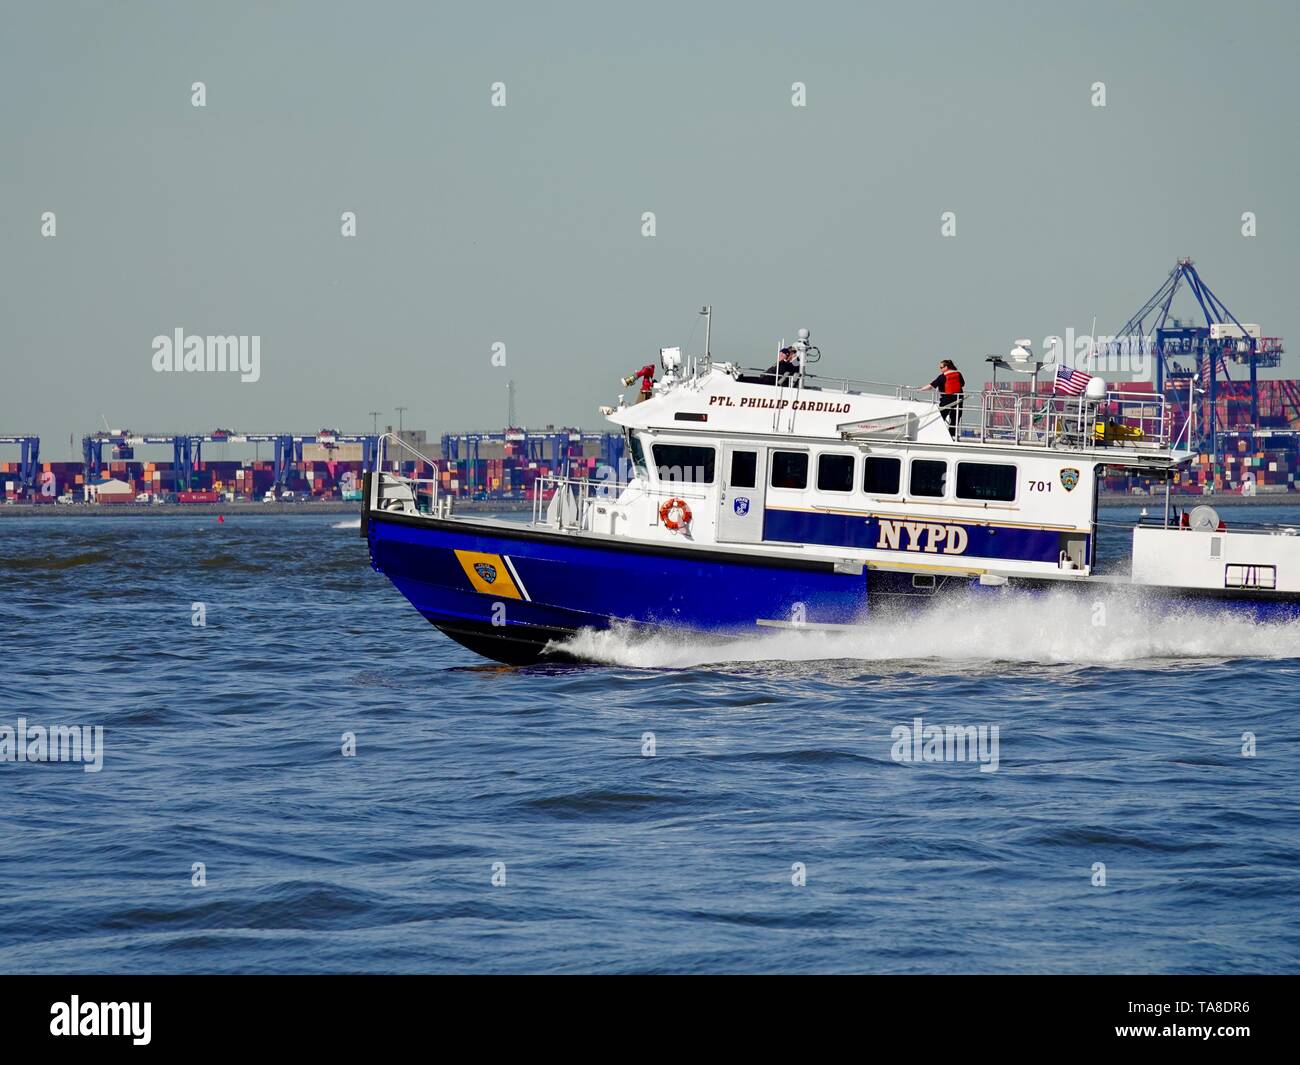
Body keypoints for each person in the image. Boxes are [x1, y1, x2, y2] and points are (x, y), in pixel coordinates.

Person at [920, 359, 965, 433]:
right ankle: (952, 433)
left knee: (941, 416)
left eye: (941, 367)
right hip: (958, 398)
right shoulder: (958, 374)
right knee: (955, 417)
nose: (940, 369)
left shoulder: (943, 376)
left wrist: (921, 389)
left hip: (946, 399)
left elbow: (932, 385)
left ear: (946, 367)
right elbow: (962, 384)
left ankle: (937, 432)